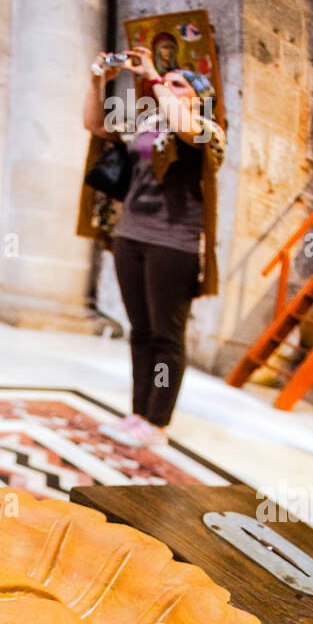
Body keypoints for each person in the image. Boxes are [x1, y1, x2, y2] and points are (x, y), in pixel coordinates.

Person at [78, 46, 225, 449]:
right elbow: (95, 125)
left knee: (166, 335)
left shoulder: (208, 131)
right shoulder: (147, 123)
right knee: (140, 331)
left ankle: (157, 422)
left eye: (180, 84)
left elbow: (183, 124)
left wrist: (156, 78)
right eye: (167, 83)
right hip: (131, 236)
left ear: (198, 98)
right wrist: (98, 82)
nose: (167, 88)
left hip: (171, 244)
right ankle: (138, 412)